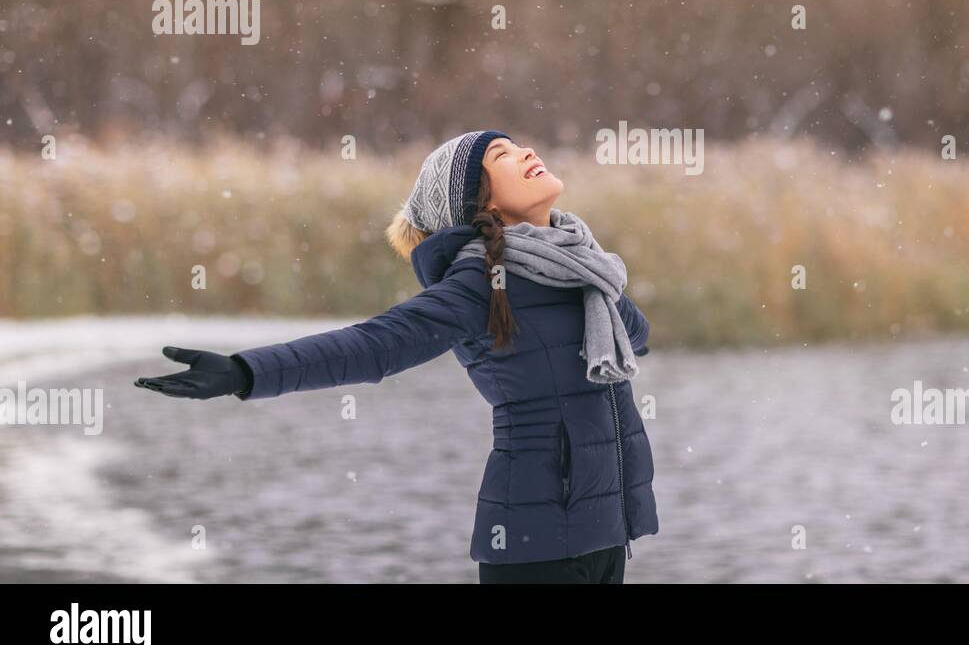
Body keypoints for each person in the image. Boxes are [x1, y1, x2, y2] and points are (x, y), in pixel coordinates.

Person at [136, 129, 658, 583]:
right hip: (535, 539)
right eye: (501, 155)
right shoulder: (480, 283)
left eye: (518, 144)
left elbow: (636, 338)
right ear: (484, 202)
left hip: (606, 531)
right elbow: (374, 346)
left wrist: (590, 272)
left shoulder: (579, 264)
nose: (525, 152)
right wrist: (243, 372)